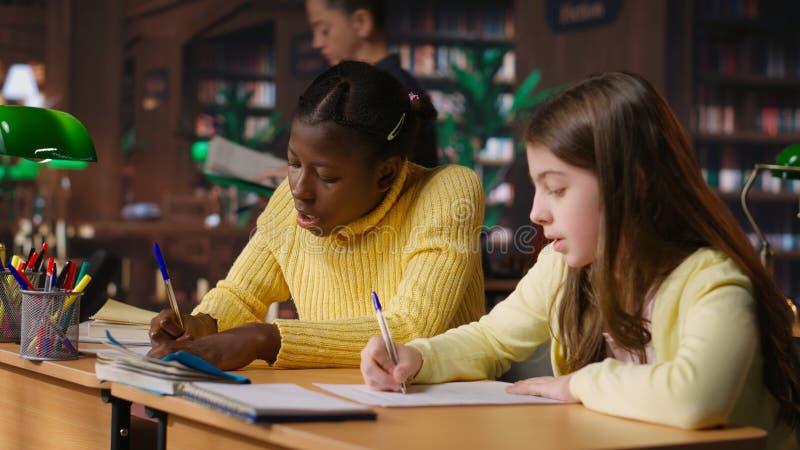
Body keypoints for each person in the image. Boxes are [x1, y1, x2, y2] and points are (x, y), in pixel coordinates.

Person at [360, 72, 800, 448]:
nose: (537, 212)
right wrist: (416, 356)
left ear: (633, 185)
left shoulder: (712, 282)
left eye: (556, 188)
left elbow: (696, 397)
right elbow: (493, 339)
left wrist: (577, 384)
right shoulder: (566, 265)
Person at [148, 61, 485, 371]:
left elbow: (409, 328)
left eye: (326, 176)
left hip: (438, 410)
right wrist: (205, 324)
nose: (300, 189)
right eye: (294, 163)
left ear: (385, 174)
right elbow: (242, 294)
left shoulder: (445, 193)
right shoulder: (290, 200)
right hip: (335, 397)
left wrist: (265, 340)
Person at [305, 0, 438, 168]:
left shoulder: (400, 91)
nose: (316, 42)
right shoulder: (363, 85)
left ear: (361, 23)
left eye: (324, 30)